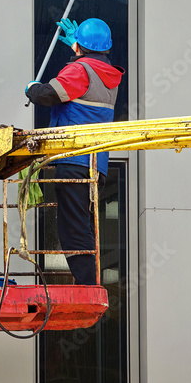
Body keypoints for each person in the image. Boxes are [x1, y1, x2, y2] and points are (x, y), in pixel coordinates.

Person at [24, 17, 124, 286]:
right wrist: (79, 48)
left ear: (80, 45)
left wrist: (32, 89)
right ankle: (88, 278)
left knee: (72, 226)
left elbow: (48, 95)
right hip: (95, 164)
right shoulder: (109, 77)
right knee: (82, 223)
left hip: (74, 159)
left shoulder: (79, 71)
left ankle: (86, 283)